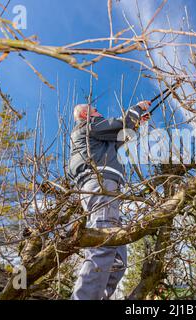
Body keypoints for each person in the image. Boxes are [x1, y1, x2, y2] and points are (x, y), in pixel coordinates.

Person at [68, 101, 151, 300]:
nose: (100, 112)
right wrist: (137, 109)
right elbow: (120, 125)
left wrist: (136, 124)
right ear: (84, 115)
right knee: (104, 245)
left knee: (117, 259)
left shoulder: (97, 136)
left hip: (103, 188)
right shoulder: (88, 127)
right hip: (100, 186)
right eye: (95, 110)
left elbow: (119, 139)